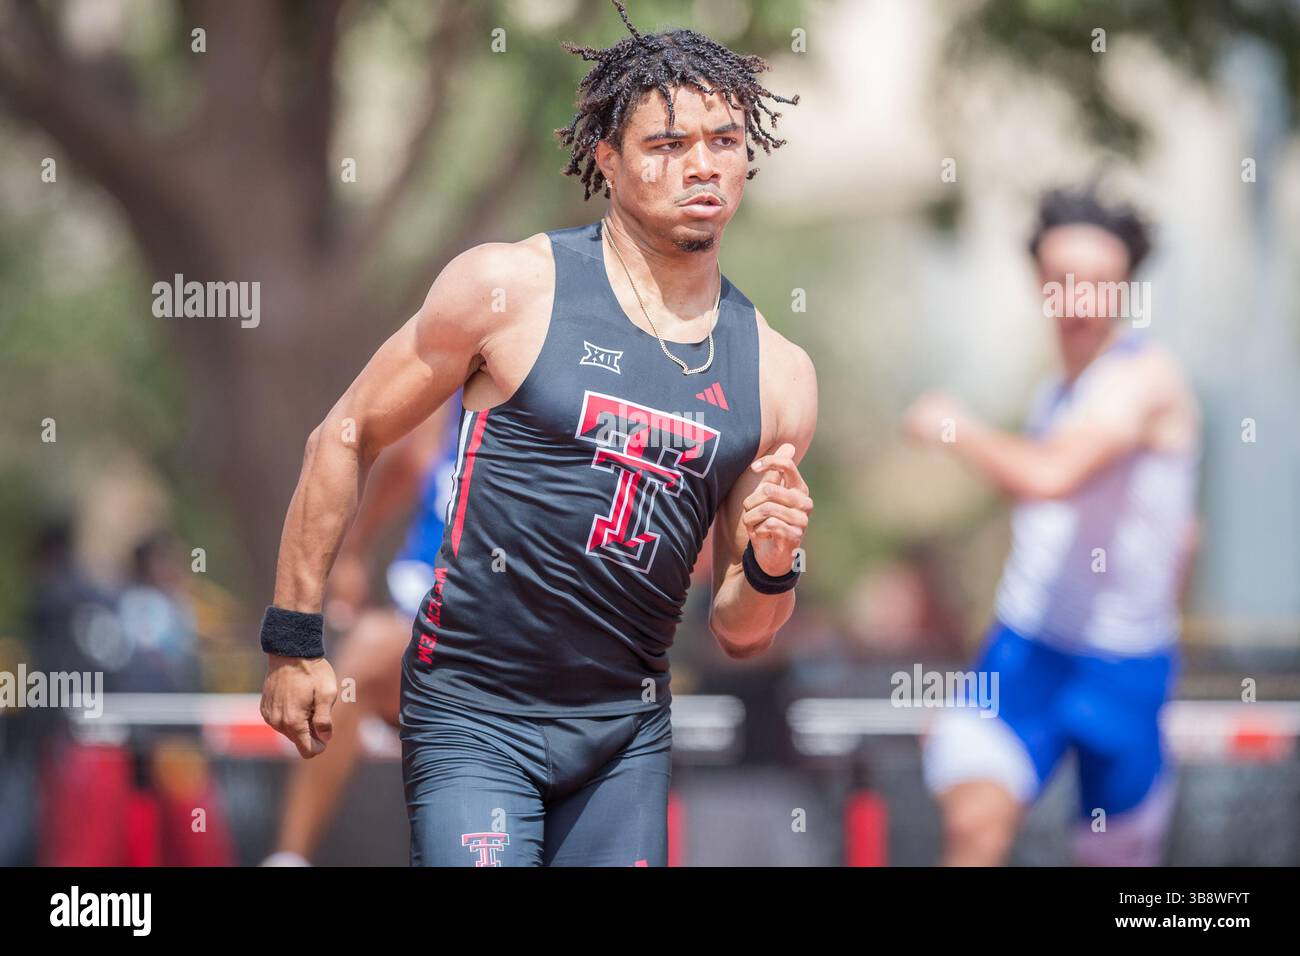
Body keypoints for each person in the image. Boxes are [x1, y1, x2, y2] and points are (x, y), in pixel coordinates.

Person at [259, 0, 817, 866]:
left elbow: (742, 629)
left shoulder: (776, 374)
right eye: (667, 146)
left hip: (622, 733)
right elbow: (345, 435)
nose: (700, 167)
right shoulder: (510, 288)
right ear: (609, 158)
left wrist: (776, 563)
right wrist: (293, 640)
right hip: (472, 713)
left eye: (723, 141)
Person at [906, 187, 1201, 866]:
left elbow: (1049, 477)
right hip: (1028, 651)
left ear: (1127, 290)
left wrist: (952, 424)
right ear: (1041, 283)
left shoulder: (1146, 380)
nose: (1080, 300)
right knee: (975, 825)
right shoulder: (1054, 391)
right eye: (1064, 281)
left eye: (1099, 284)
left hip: (1124, 670)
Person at [263, 400, 459, 867]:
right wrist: (353, 553)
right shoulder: (453, 390)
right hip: (426, 605)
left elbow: (403, 461)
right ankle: (290, 857)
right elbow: (405, 461)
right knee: (365, 655)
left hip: (510, 621)